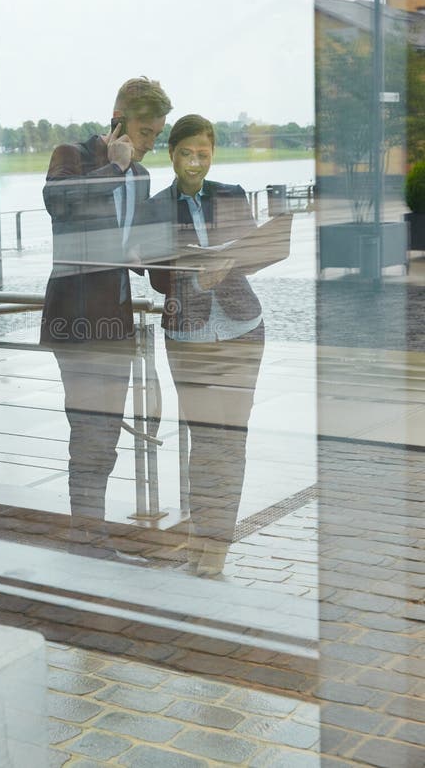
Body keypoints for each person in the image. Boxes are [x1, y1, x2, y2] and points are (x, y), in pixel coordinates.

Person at [136, 114, 279, 577]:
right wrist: (195, 278)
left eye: (203, 153)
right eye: (186, 153)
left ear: (212, 153)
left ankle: (217, 544)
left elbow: (252, 254)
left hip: (243, 329)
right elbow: (158, 280)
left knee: (231, 439)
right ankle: (202, 533)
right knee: (204, 439)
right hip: (188, 336)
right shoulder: (156, 208)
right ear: (172, 154)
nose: (195, 161)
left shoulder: (231, 195)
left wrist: (237, 258)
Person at [40, 77, 172, 551]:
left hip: (115, 320)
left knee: (107, 433)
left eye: (157, 134)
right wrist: (114, 167)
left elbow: (127, 243)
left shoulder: (142, 177)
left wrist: (145, 255)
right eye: (145, 131)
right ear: (118, 120)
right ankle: (88, 537)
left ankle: (89, 534)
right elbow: (58, 205)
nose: (150, 143)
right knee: (88, 429)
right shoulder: (71, 155)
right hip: (74, 319)